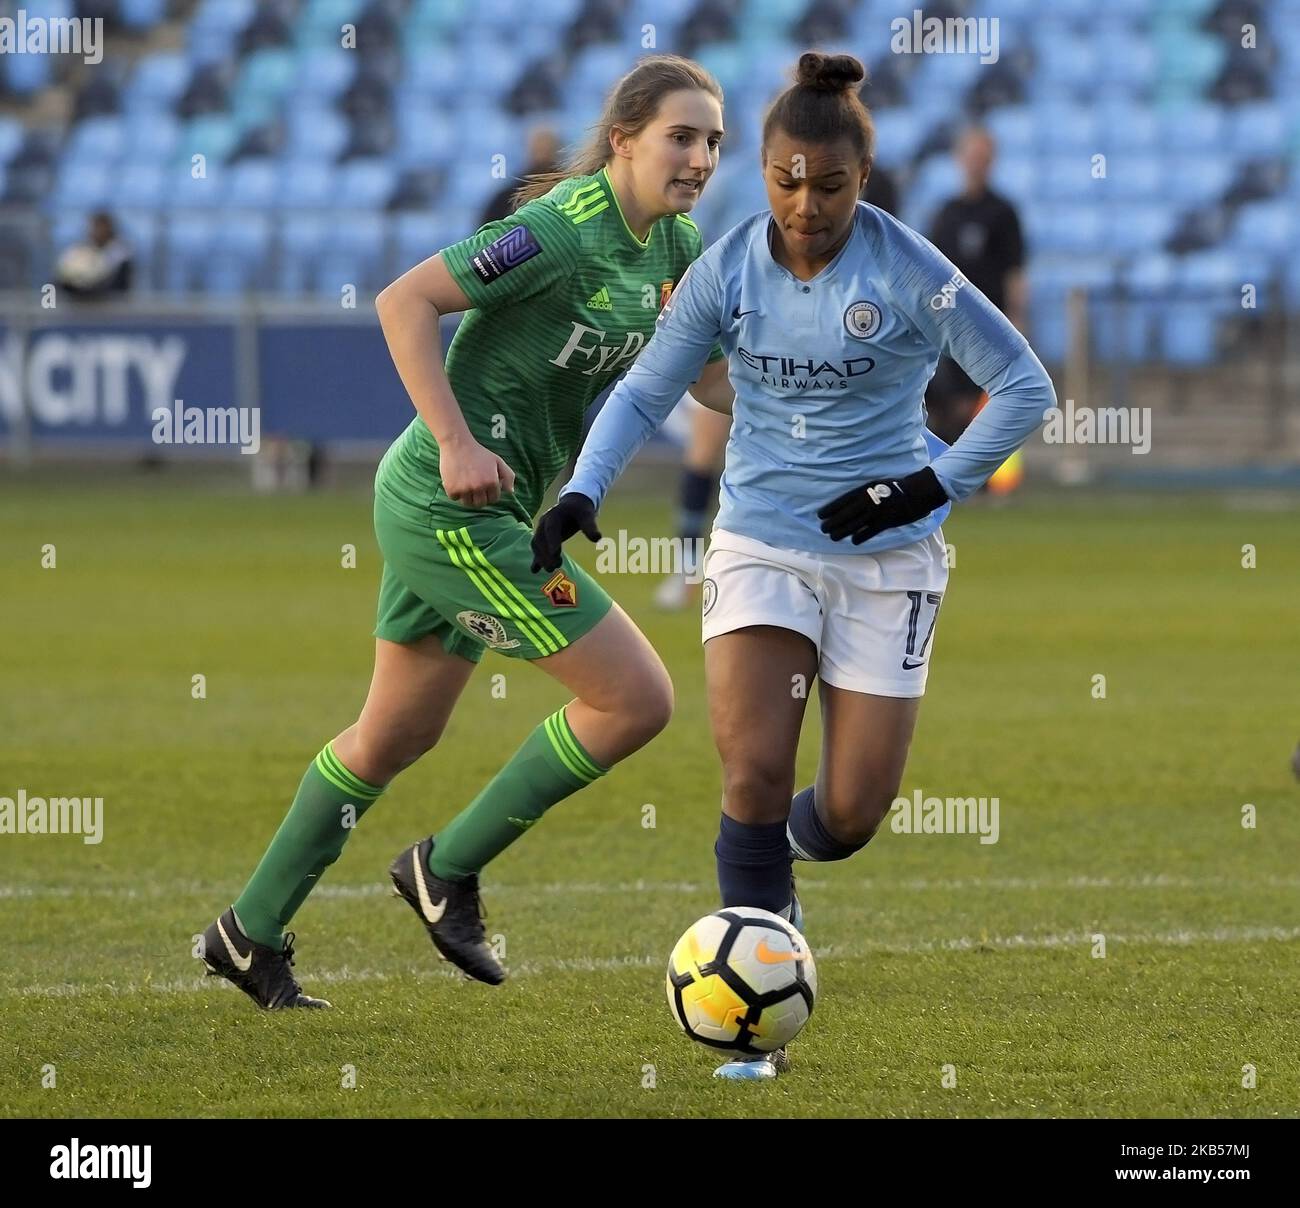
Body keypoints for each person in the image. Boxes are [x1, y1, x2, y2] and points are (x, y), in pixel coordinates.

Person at [533, 52, 1055, 1079]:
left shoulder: (909, 269)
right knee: (754, 770)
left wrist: (926, 487)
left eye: (827, 185)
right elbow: (645, 391)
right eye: (783, 181)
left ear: (862, 178)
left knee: (852, 812)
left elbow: (1025, 385)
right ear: (761, 171)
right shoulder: (727, 268)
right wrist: (584, 489)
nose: (803, 204)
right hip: (762, 537)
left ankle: (780, 866)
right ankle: (750, 1014)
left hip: (887, 555)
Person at [198, 54, 730, 1008]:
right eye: (680, 137)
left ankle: (248, 933)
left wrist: (819, 397)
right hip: (450, 510)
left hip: (496, 513)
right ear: (624, 140)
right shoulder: (556, 233)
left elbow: (709, 381)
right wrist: (453, 441)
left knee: (391, 737)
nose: (699, 158)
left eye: (714, 143)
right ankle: (447, 869)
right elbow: (404, 301)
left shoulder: (676, 248)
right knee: (636, 699)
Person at [926, 126, 1026, 451]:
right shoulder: (946, 213)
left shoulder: (1004, 212)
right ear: (959, 160)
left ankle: (987, 479)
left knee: (982, 404)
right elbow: (929, 271)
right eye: (971, 157)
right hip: (951, 324)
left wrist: (1016, 317)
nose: (976, 164)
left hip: (990, 324)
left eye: (982, 158)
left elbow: (1015, 269)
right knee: (948, 400)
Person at [478, 125, 562, 225]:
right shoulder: (506, 198)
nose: (542, 156)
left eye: (548, 149)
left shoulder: (567, 192)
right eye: (538, 150)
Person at [55, 211, 133, 297]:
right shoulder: (80, 251)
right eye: (95, 227)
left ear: (109, 228)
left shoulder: (121, 253)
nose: (97, 231)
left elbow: (119, 285)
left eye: (101, 227)